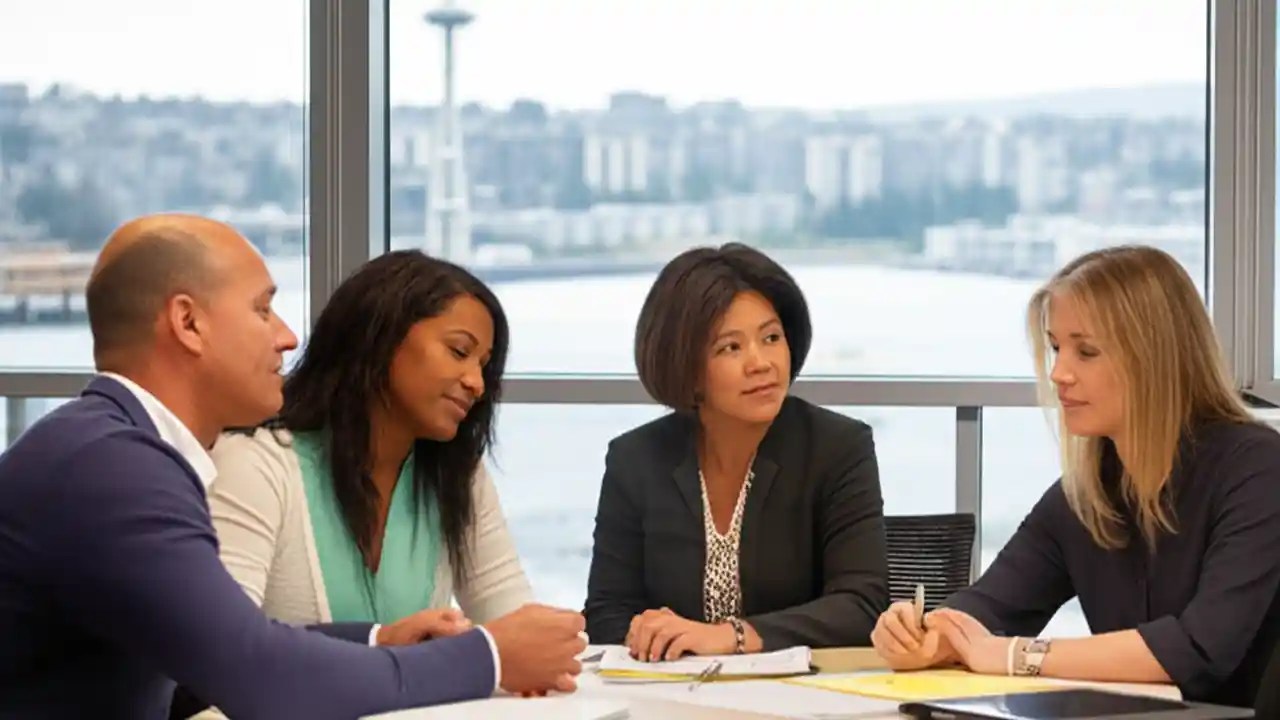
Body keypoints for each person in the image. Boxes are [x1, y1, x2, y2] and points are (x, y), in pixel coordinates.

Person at [0, 214, 584, 720]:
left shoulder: (111, 449)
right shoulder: (116, 469)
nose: (287, 336)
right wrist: (489, 656)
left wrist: (381, 641)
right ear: (188, 323)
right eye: (262, 309)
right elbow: (258, 677)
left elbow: (201, 660)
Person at [870, 245, 1280, 707]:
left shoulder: (1258, 470)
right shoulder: (1084, 494)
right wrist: (928, 634)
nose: (1060, 373)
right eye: (1056, 348)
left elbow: (1199, 650)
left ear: (1156, 358)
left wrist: (1017, 656)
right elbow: (992, 605)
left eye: (1086, 351)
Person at [584, 243, 889, 661]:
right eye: (731, 347)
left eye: (771, 338)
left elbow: (862, 606)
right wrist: (654, 638)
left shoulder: (837, 447)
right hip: (673, 695)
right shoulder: (636, 459)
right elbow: (606, 613)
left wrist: (732, 636)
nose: (760, 363)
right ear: (687, 368)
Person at [208, 250, 532, 643]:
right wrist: (383, 644)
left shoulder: (457, 474)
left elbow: (515, 620)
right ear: (380, 337)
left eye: (484, 365)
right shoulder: (255, 463)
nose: (477, 384)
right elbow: (220, 648)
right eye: (459, 352)